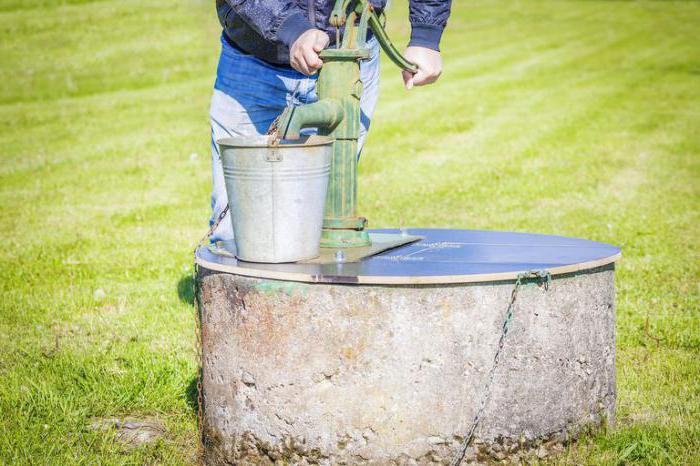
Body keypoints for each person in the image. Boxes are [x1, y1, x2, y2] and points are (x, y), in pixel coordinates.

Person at [209, 0, 452, 242]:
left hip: (350, 57)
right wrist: (290, 27)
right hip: (254, 60)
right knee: (237, 230)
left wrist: (426, 33)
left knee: (324, 224)